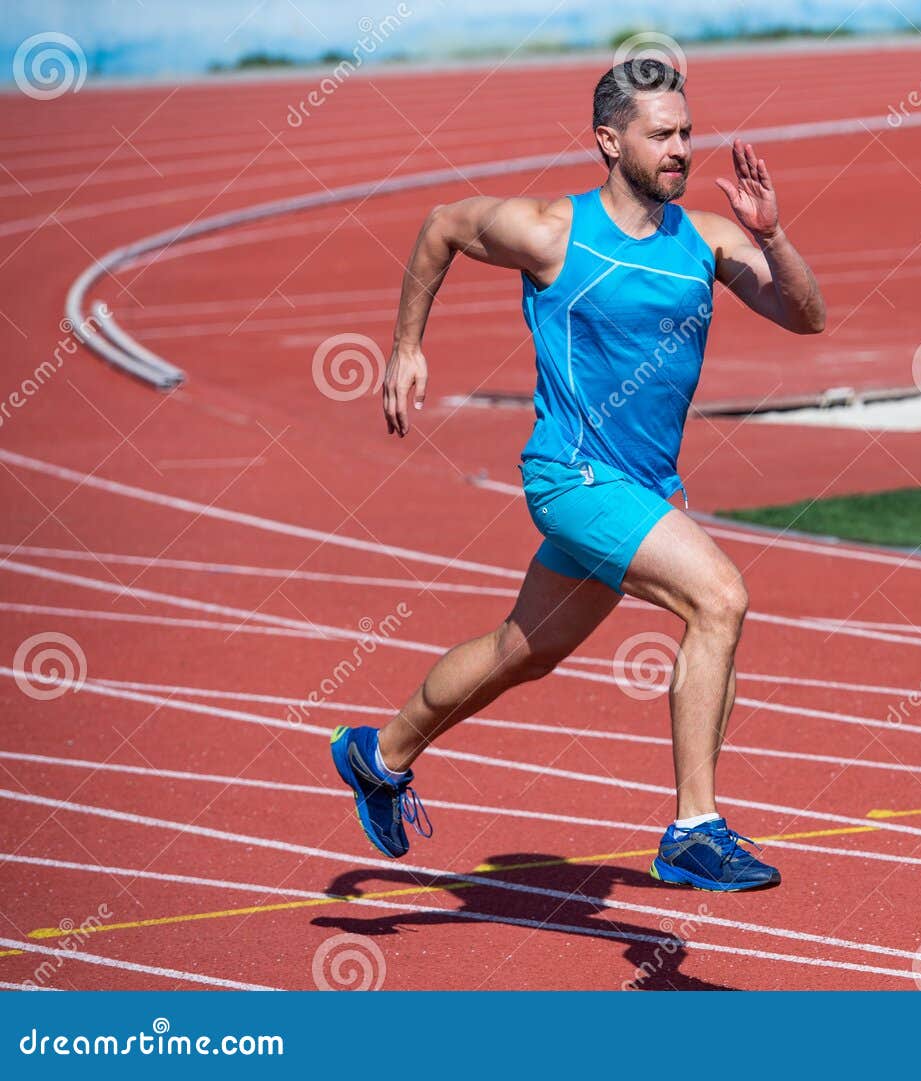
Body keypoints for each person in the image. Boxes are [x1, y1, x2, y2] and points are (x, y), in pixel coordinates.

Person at [330, 57, 825, 892]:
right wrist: (407, 345)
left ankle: (379, 755)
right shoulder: (553, 231)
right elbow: (443, 224)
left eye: (686, 134)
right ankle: (693, 828)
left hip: (643, 490)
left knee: (522, 651)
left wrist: (773, 234)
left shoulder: (705, 239)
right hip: (574, 478)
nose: (680, 150)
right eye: (661, 135)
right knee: (720, 598)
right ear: (608, 139)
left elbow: (804, 317)